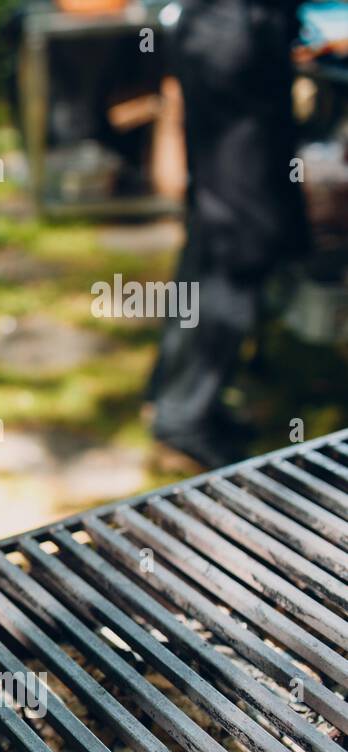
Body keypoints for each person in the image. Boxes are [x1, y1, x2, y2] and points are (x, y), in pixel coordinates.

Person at [147, 0, 309, 469]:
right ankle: (184, 416)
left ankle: (178, 395)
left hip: (223, 33)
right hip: (231, 37)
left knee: (213, 228)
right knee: (239, 238)